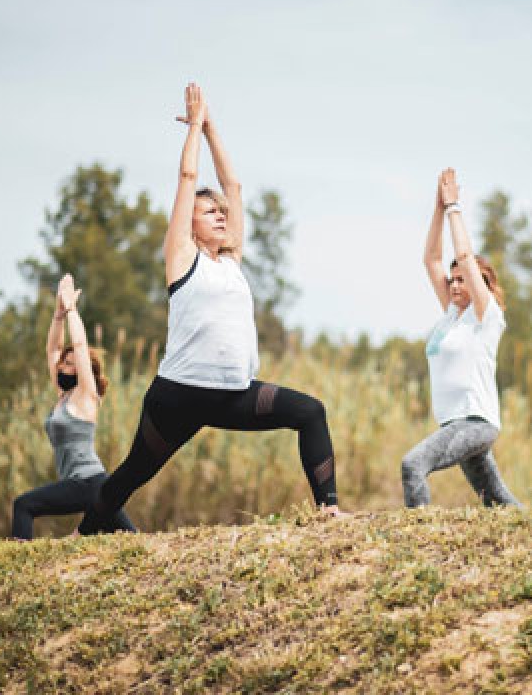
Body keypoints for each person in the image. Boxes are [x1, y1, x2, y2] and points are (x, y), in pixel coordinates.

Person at [79, 83, 341, 534]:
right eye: (208, 213)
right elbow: (186, 181)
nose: (220, 215)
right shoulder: (183, 257)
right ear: (191, 226)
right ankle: (84, 532)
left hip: (232, 395)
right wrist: (194, 130)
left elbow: (234, 186)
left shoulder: (232, 263)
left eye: (221, 212)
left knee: (310, 412)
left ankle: (330, 511)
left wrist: (214, 128)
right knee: (132, 474)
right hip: (178, 395)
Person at [401, 168, 521, 508]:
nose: (454, 285)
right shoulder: (452, 317)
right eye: (451, 280)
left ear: (480, 285)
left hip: (475, 422)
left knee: (413, 465)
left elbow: (465, 257)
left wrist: (455, 207)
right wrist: (438, 207)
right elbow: (431, 259)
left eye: (462, 280)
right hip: (456, 423)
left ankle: (418, 543)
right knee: (498, 502)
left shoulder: (485, 317)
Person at [11, 274, 136, 539]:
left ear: (83, 371)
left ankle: (15, 567)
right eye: (63, 364)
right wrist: (57, 313)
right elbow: (51, 350)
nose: (63, 367)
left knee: (23, 506)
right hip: (92, 487)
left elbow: (79, 345)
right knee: (133, 538)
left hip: (89, 483)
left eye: (71, 364)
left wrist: (72, 310)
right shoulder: (63, 396)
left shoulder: (86, 396)